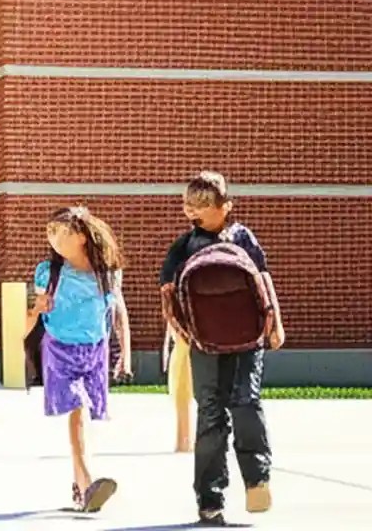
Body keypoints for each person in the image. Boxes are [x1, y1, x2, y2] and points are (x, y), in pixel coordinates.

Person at [158, 171, 283, 526]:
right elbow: (168, 294)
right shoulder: (183, 246)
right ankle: (209, 498)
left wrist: (276, 323)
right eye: (186, 204)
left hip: (248, 338)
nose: (191, 211)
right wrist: (180, 333)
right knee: (211, 415)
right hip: (205, 341)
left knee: (245, 401)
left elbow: (263, 277)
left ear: (226, 206)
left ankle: (257, 479)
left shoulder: (243, 237)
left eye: (201, 205)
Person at [26, 206, 131, 514]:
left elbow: (118, 312)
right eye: (50, 232)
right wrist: (35, 310)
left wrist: (124, 353)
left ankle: (80, 488)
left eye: (61, 232)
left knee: (82, 415)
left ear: (82, 237)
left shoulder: (107, 273)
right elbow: (26, 324)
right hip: (60, 349)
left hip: (95, 351)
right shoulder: (48, 272)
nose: (53, 238)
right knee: (77, 409)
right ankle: (87, 483)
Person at [164, 324, 195, 453]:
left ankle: (185, 441)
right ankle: (183, 440)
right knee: (181, 399)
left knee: (183, 398)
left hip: (185, 354)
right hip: (181, 352)